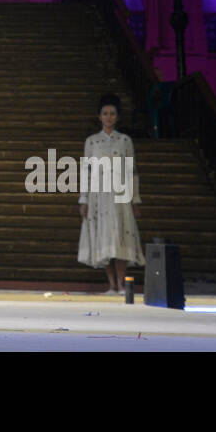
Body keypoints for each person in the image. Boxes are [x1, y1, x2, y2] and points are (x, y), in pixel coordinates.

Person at [78, 93, 144, 293]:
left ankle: (122, 284)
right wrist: (84, 199)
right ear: (99, 117)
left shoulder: (125, 141)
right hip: (99, 196)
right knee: (103, 237)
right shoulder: (92, 142)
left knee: (121, 236)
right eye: (105, 114)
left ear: (117, 117)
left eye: (112, 114)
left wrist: (136, 200)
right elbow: (86, 171)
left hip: (120, 195)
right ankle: (111, 284)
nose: (108, 117)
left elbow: (132, 171)